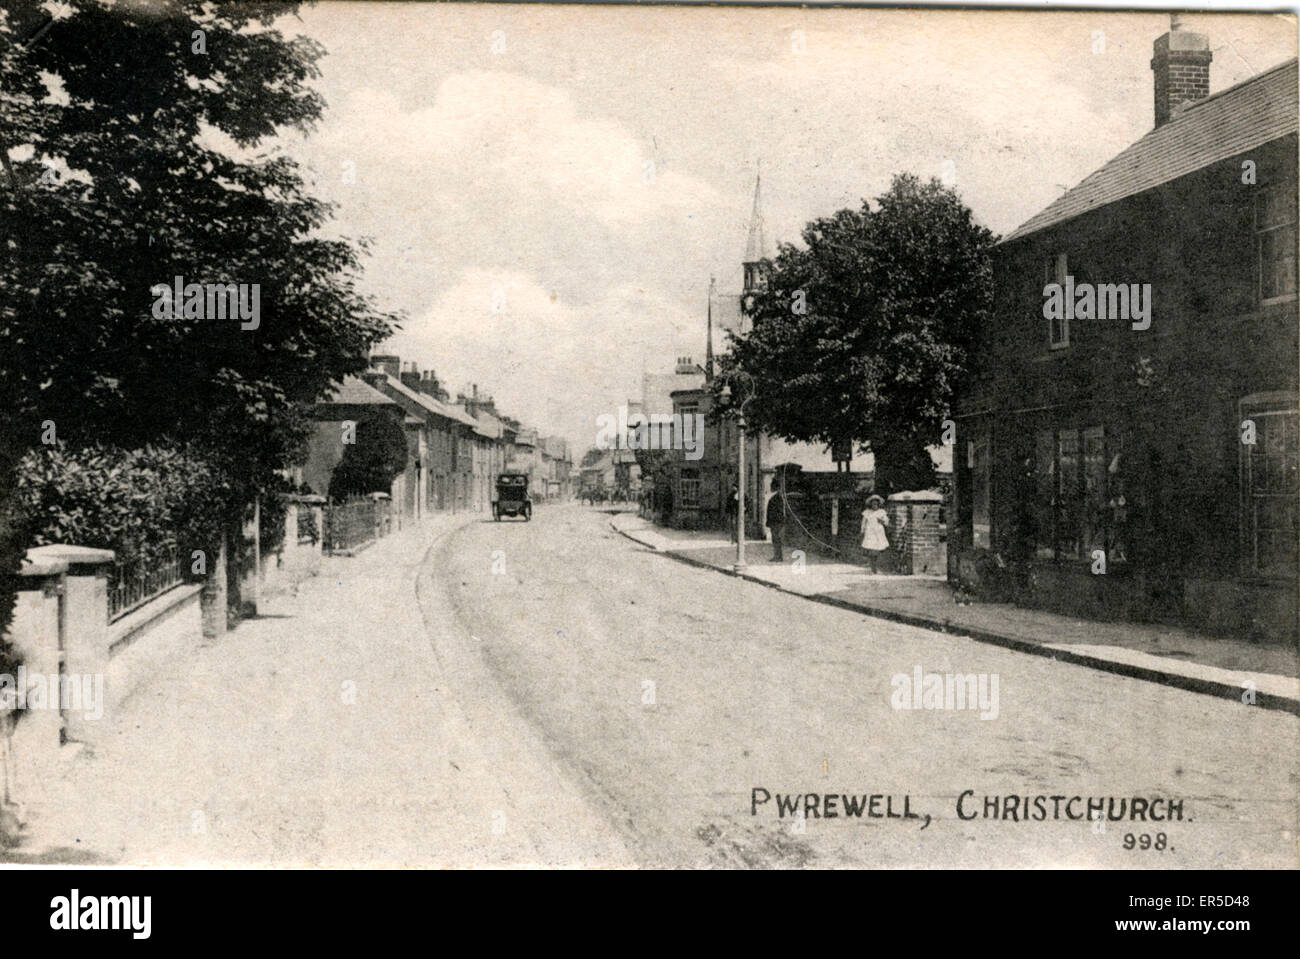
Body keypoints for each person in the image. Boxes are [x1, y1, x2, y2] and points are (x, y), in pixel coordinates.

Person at [860, 494, 890, 573]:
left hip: (879, 533)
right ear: (871, 504)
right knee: (872, 550)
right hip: (870, 533)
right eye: (873, 504)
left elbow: (887, 522)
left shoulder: (881, 512)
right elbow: (863, 522)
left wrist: (882, 521)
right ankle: (873, 567)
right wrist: (862, 530)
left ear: (878, 504)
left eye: (876, 504)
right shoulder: (867, 512)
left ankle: (875, 565)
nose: (875, 506)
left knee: (877, 549)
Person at [765, 488, 785, 562]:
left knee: (776, 539)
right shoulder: (777, 497)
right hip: (777, 522)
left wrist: (769, 522)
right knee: (776, 539)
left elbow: (773, 512)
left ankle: (778, 556)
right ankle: (778, 556)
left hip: (775, 522)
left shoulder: (775, 498)